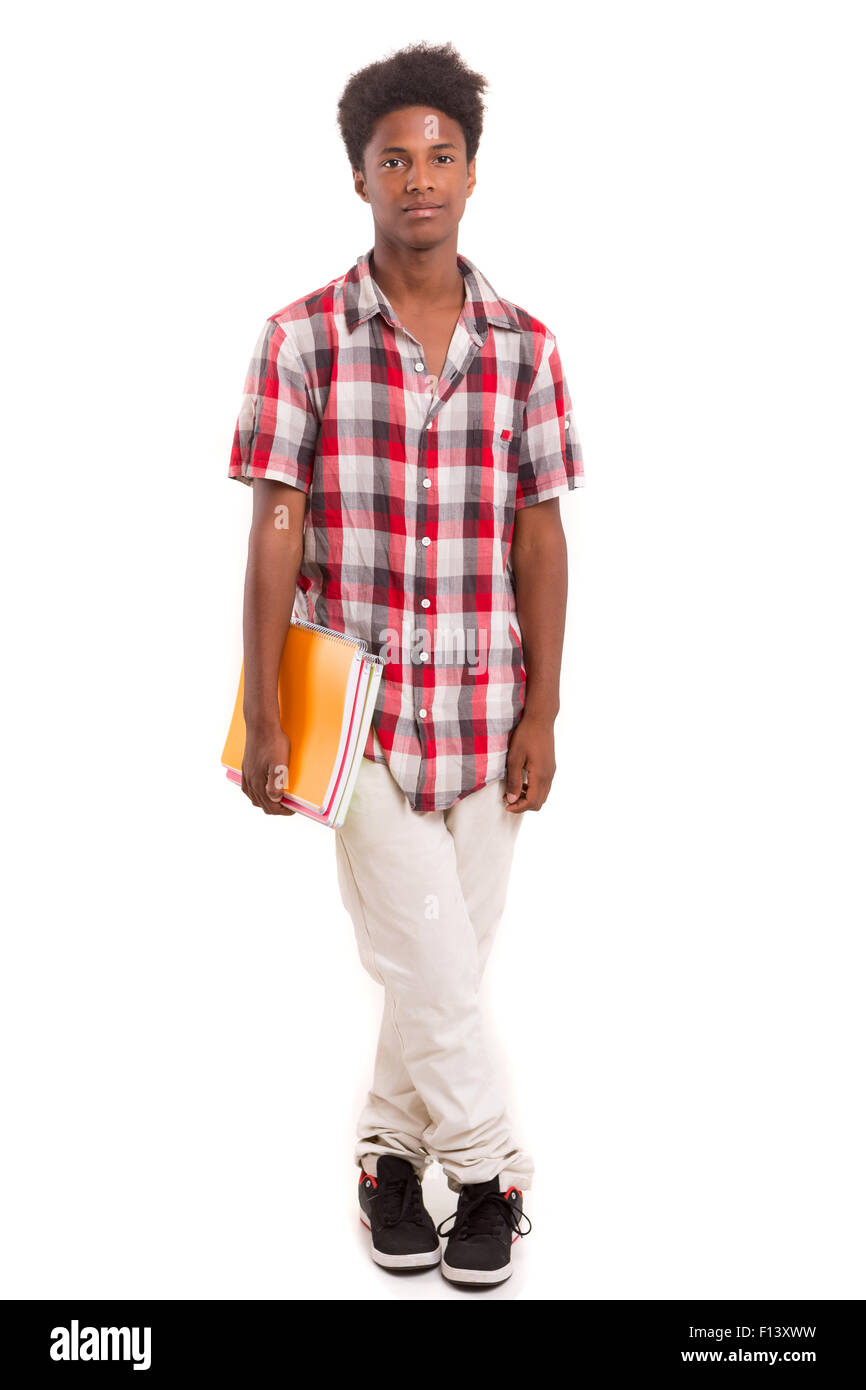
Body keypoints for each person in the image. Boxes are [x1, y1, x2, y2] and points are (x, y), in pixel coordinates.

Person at [227, 41, 584, 1288]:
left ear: (472, 175)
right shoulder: (301, 338)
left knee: (439, 970)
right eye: (395, 159)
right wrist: (258, 705)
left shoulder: (525, 348)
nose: (418, 176)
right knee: (429, 954)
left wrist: (544, 706)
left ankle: (385, 1151)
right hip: (358, 711)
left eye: (440, 155)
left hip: (486, 711)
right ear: (361, 180)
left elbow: (539, 533)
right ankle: (489, 1174)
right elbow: (275, 524)